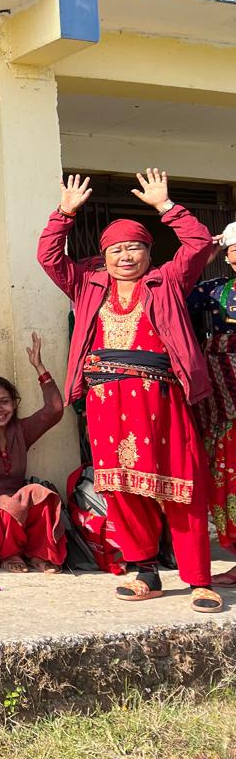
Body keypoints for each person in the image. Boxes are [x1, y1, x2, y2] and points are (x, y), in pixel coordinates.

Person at [38, 170, 221, 613]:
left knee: (182, 486)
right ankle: (145, 572)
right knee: (121, 489)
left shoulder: (168, 282)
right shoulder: (87, 285)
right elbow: (48, 257)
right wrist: (64, 213)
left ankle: (198, 579)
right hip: (107, 403)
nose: (125, 256)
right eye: (116, 249)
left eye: (134, 247)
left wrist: (165, 206)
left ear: (148, 250)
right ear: (104, 255)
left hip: (164, 400)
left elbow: (199, 245)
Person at [0, 332, 66, 574]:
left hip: (15, 510)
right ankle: (8, 554)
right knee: (8, 504)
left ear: (15, 403)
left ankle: (40, 555)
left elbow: (54, 409)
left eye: (4, 402)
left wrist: (39, 367)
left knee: (40, 494)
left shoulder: (21, 430)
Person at [193, 227, 236, 584]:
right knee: (225, 480)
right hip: (224, 411)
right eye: (235, 249)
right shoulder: (215, 289)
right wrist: (201, 255)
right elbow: (175, 296)